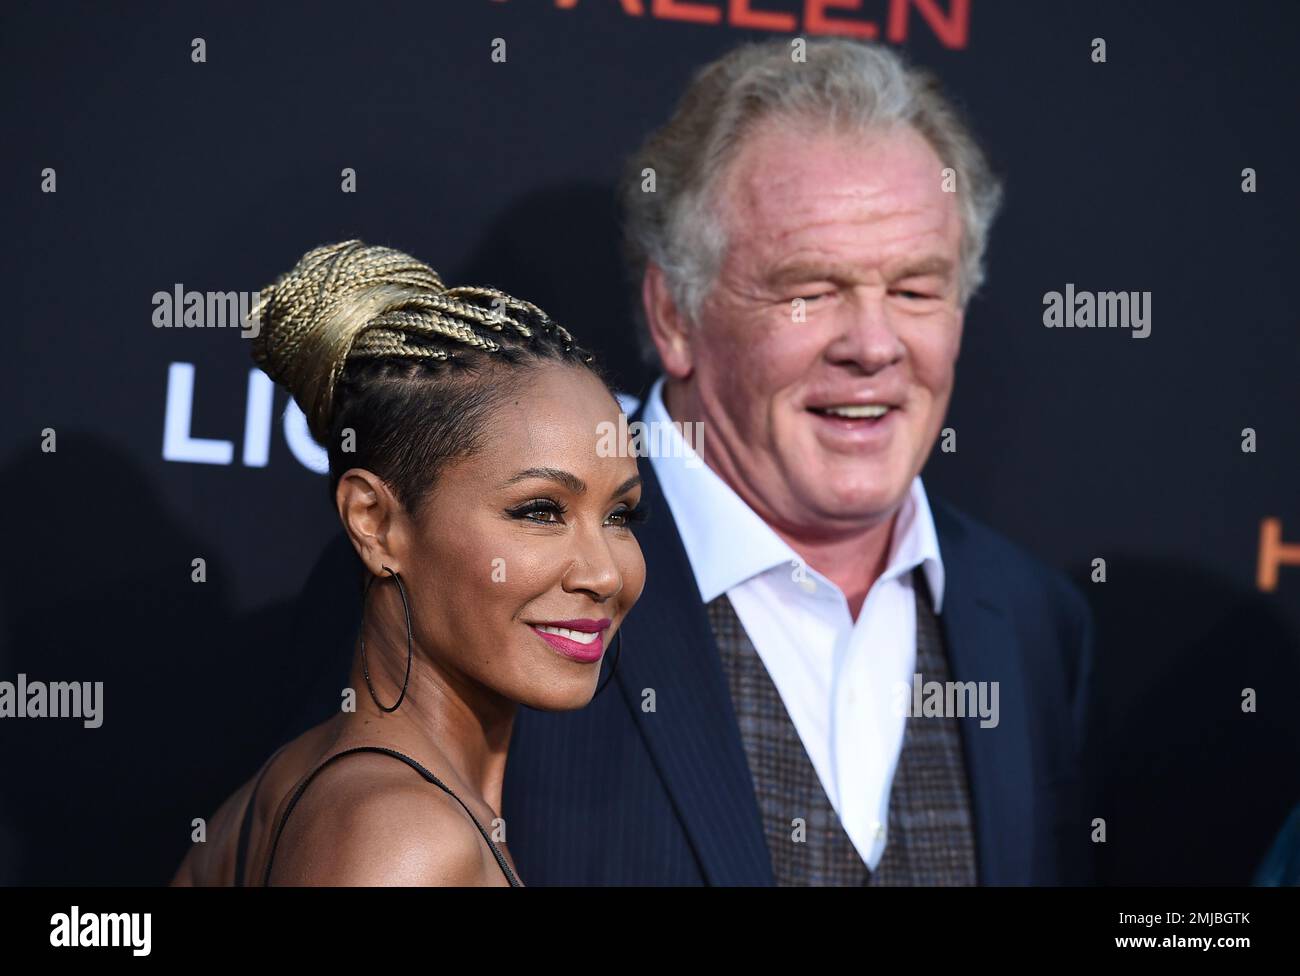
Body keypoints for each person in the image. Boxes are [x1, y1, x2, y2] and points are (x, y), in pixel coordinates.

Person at [502, 38, 1096, 885]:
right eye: (808, 291)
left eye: (917, 289)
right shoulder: (494, 578)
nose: (873, 345)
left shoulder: (1036, 625)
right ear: (674, 316)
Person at [171, 240, 645, 886]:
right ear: (375, 522)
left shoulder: (301, 782)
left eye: (620, 516)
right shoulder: (404, 841)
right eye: (539, 510)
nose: (605, 573)